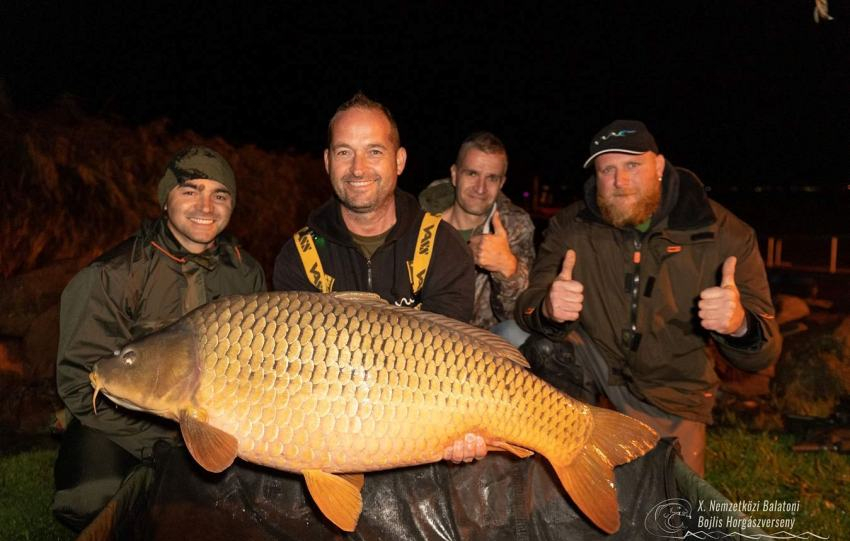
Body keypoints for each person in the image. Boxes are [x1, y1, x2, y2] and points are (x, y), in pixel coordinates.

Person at [516, 120, 781, 476]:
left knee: (671, 512)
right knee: (541, 347)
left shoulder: (724, 233)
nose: (619, 181)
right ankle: (566, 450)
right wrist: (547, 308)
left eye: (632, 165)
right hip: (597, 362)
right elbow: (528, 304)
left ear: (658, 166)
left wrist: (739, 326)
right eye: (607, 169)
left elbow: (765, 351)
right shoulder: (570, 225)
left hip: (671, 387)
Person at [52, 146, 266, 531]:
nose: (206, 205)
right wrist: (160, 442)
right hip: (120, 423)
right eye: (190, 190)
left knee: (241, 511)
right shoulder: (113, 274)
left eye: (220, 194)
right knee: (89, 497)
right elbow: (79, 380)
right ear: (165, 200)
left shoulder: (246, 274)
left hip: (211, 418)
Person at [274, 93, 481, 462]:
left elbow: (451, 367)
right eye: (343, 152)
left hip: (422, 413)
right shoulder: (299, 256)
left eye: (374, 151)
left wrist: (462, 428)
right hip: (332, 421)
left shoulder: (442, 245)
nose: (357, 168)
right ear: (327, 162)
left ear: (399, 161)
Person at [419, 132, 535, 345]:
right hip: (424, 336)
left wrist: (508, 269)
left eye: (491, 178)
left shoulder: (515, 226)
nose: (481, 188)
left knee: (518, 334)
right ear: (455, 175)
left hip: (482, 343)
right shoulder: (418, 219)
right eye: (472, 174)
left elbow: (518, 315)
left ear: (502, 183)